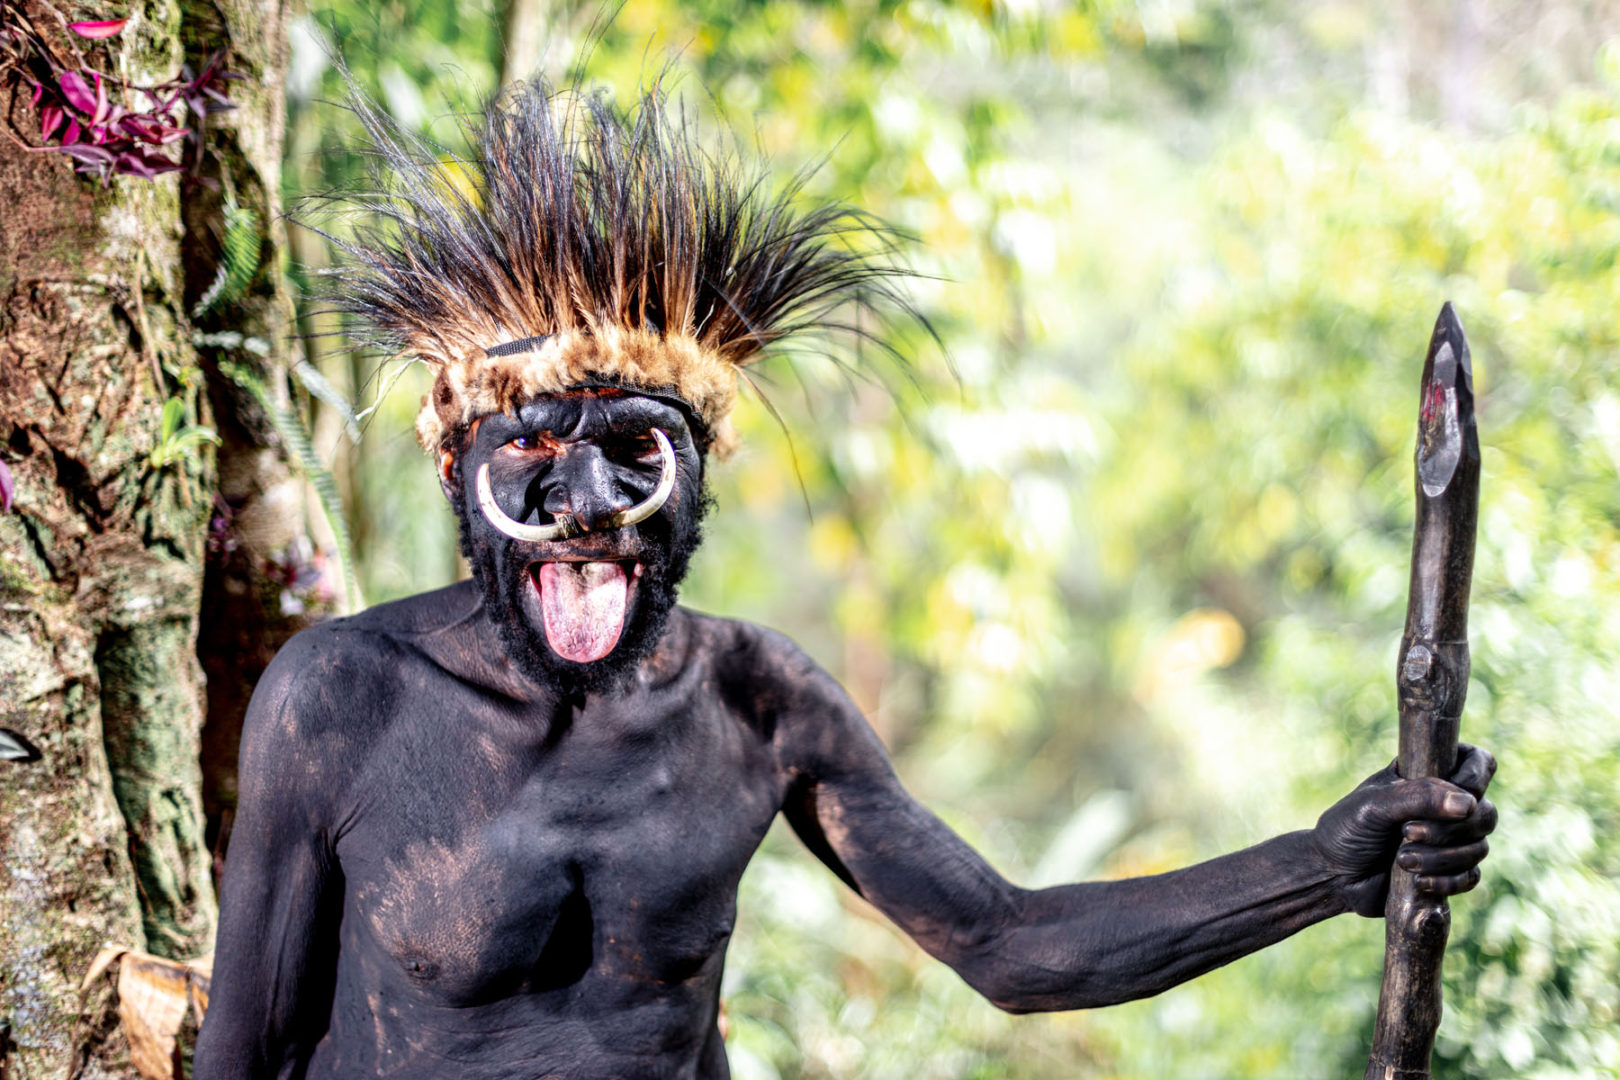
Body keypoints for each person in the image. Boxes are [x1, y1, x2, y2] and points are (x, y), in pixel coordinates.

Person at [193, 80, 1495, 1079]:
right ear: (456, 470)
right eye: (532, 460)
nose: (585, 509)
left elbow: (1013, 946)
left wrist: (1324, 867)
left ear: (700, 477)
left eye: (634, 456)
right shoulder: (346, 701)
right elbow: (243, 1057)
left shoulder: (755, 705)